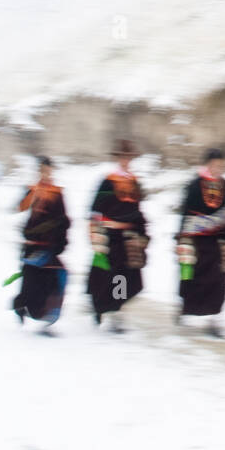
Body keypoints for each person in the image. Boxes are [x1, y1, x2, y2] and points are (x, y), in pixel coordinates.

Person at [175, 149, 225, 338]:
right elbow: (186, 213)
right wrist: (183, 238)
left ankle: (214, 320)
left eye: (222, 166)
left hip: (215, 242)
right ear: (207, 165)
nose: (219, 169)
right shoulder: (195, 185)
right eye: (215, 165)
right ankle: (186, 307)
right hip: (196, 241)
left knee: (218, 281)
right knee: (192, 278)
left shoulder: (224, 185)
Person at [87, 139, 148, 330]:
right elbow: (96, 210)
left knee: (123, 275)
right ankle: (105, 307)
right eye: (122, 157)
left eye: (128, 158)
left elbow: (137, 210)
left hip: (128, 237)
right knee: (107, 275)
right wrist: (95, 233)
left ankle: (116, 309)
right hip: (109, 235)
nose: (125, 161)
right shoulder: (107, 182)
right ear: (117, 158)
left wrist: (140, 231)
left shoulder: (135, 183)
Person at [7, 157, 70, 332]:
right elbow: (20, 207)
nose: (46, 173)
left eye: (48, 170)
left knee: (53, 280)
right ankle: (22, 307)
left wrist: (61, 241)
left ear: (52, 171)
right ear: (39, 171)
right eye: (42, 170)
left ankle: (45, 318)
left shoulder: (57, 193)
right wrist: (32, 194)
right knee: (30, 283)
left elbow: (63, 219)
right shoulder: (33, 190)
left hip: (49, 246)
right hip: (32, 245)